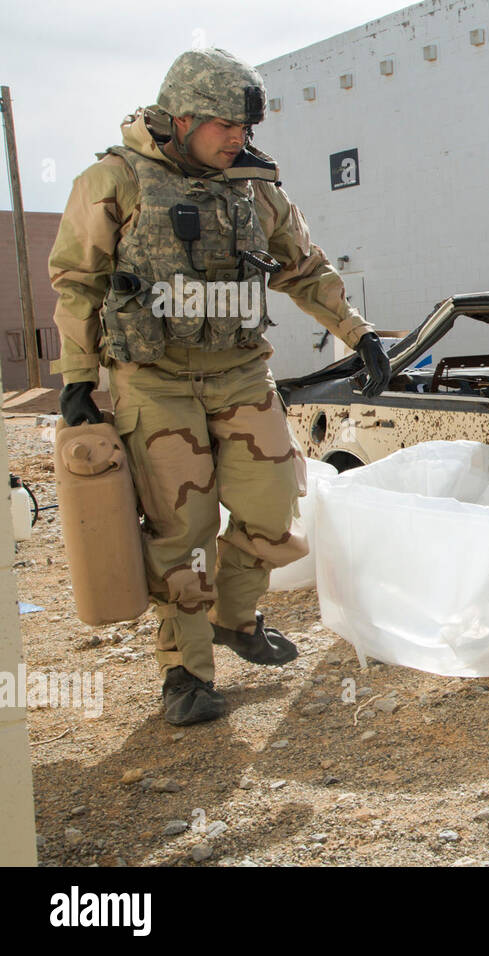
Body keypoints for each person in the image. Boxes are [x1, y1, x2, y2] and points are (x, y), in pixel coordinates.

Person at [48, 48, 391, 725]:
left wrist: (360, 334)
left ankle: (236, 616)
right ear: (181, 120)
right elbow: (77, 282)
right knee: (185, 530)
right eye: (224, 126)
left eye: (244, 127)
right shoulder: (112, 182)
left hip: (239, 372)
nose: (238, 139)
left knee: (273, 508)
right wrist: (78, 380)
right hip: (154, 381)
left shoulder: (254, 187)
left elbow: (304, 268)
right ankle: (186, 673)